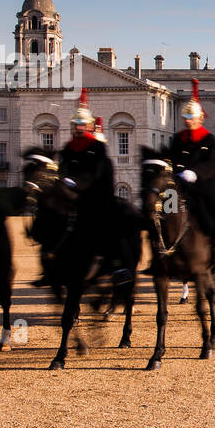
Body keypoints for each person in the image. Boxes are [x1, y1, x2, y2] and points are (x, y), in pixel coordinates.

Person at [56, 89, 132, 285]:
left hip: (96, 197)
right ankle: (51, 262)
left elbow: (98, 174)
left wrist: (79, 184)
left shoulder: (97, 148)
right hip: (71, 197)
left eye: (83, 124)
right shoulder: (67, 148)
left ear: (88, 126)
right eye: (77, 124)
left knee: (112, 226)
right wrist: (63, 180)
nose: (79, 127)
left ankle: (118, 265)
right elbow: (62, 168)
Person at [167, 79, 215, 274]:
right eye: (186, 117)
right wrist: (176, 171)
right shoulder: (177, 139)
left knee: (210, 212)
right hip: (179, 186)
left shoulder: (209, 140)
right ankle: (161, 252)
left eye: (191, 117)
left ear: (199, 118)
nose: (188, 120)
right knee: (160, 210)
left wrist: (195, 173)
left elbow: (213, 164)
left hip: (202, 186)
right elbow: (172, 158)